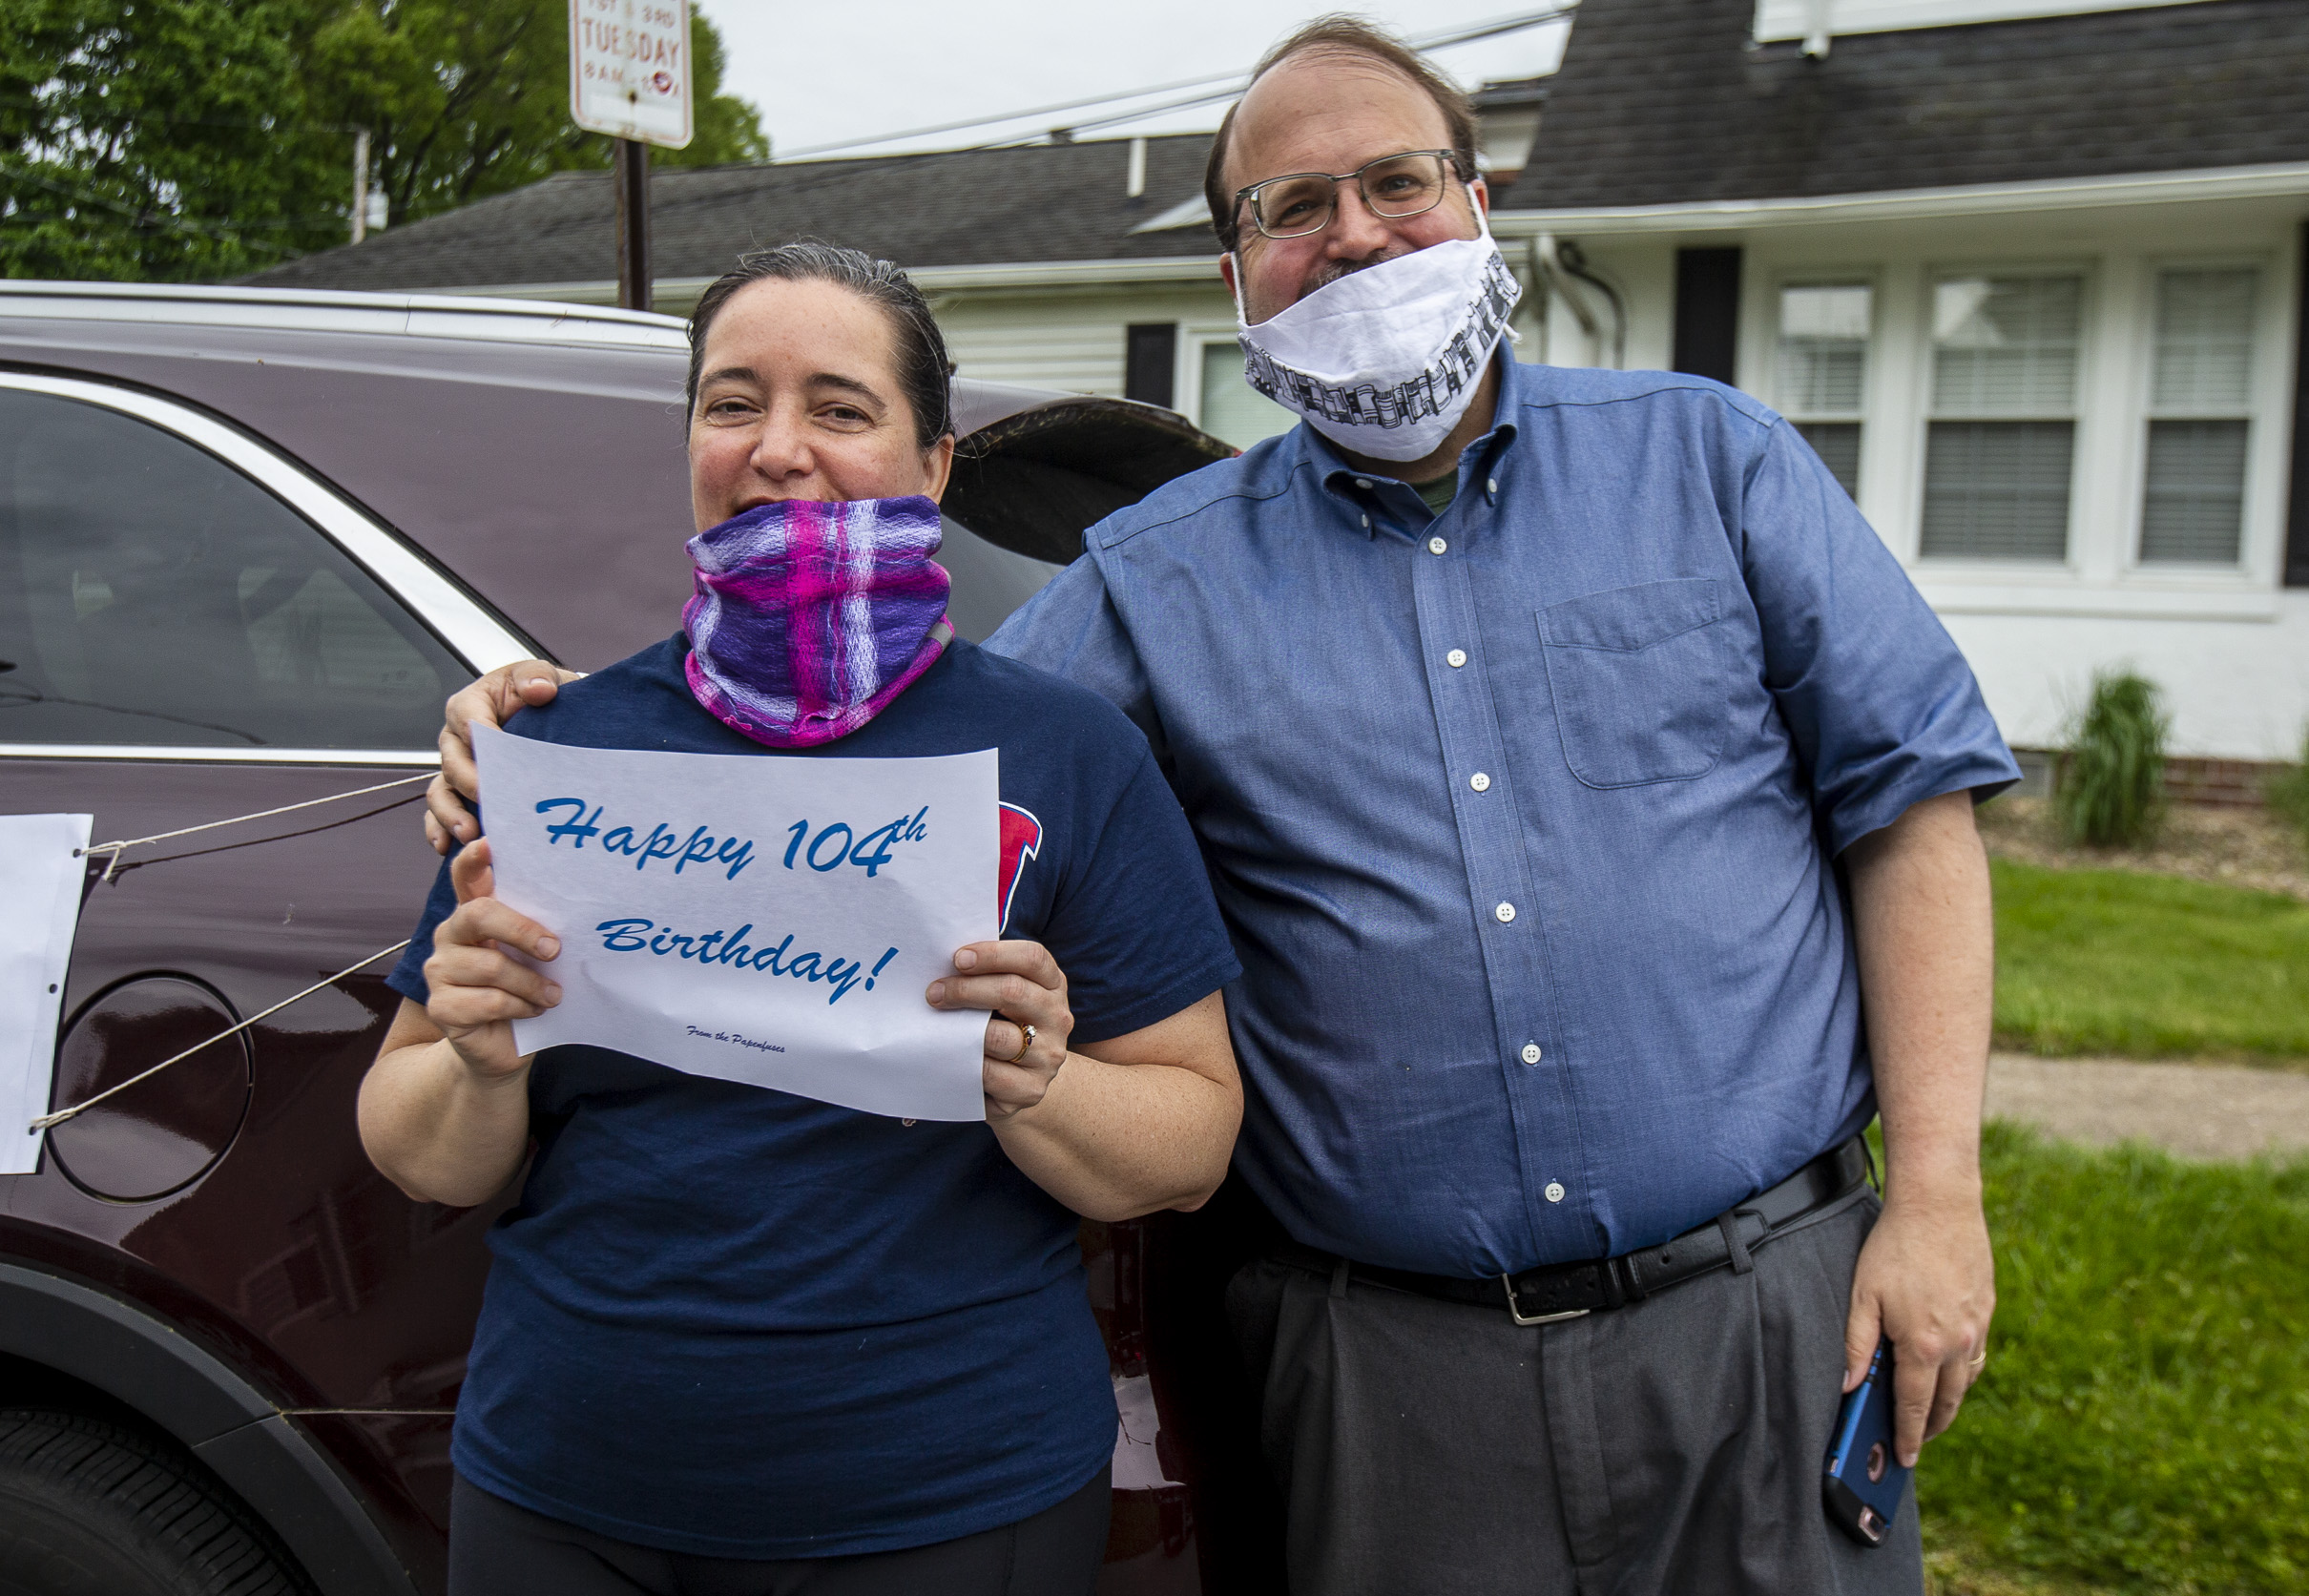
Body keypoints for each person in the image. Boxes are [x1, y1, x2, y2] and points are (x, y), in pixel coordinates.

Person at [429, 20, 2019, 1594]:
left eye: (1396, 182)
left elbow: (1914, 815)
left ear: (1480, 202)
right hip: (1402, 1368)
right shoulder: (1150, 582)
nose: (1353, 238)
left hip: (1771, 1309)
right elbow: (894, 734)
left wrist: (1939, 1200)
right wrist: (552, 741)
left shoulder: (1714, 461)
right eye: (1288, 210)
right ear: (1236, 276)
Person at [361, 242, 1243, 1596]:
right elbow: (420, 1148)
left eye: (839, 406)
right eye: (731, 402)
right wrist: (479, 1058)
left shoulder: (1067, 752)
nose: (778, 449)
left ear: (935, 462)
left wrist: (1042, 1085)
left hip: (948, 1504)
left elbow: (1190, 1137)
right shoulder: (560, 751)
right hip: (564, 1495)